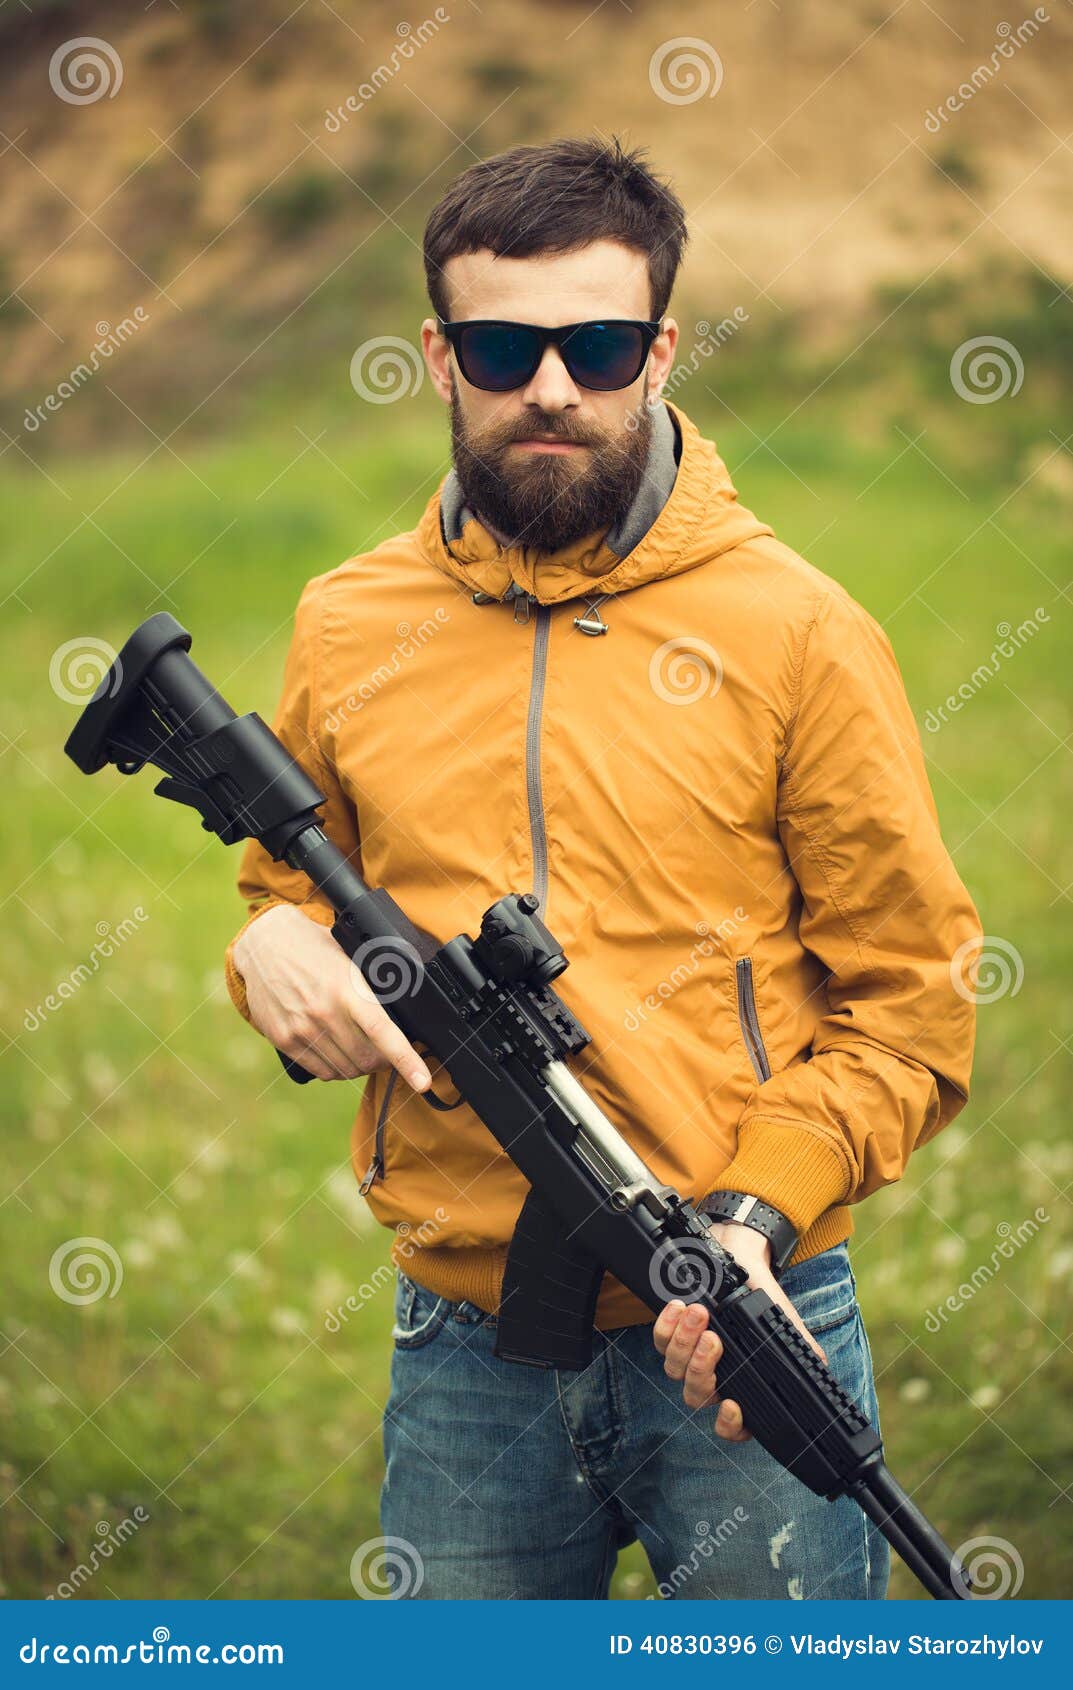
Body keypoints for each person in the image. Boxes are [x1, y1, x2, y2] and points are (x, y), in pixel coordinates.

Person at [224, 137, 980, 1600]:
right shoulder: (346, 620)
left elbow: (912, 1002)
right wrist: (266, 949)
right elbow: (288, 883)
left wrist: (753, 1215)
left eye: (600, 343)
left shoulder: (797, 631)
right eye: (504, 347)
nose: (552, 387)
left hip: (745, 1337)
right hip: (466, 1357)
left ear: (661, 349)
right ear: (439, 358)